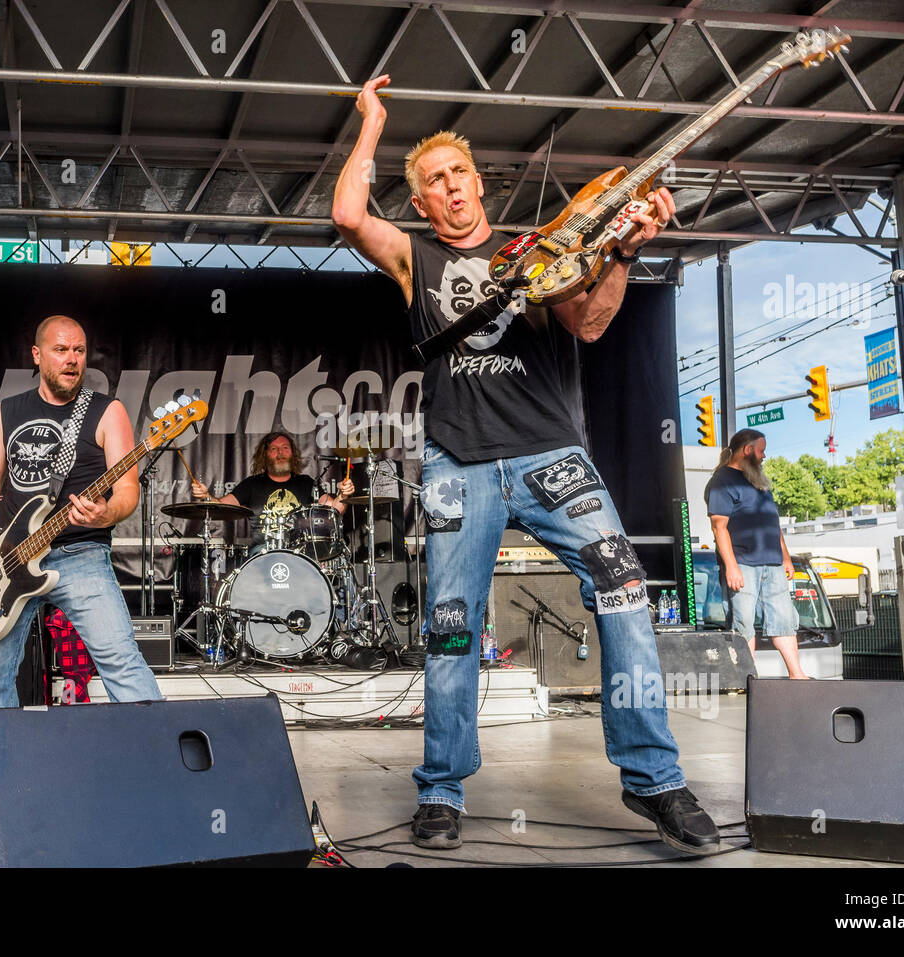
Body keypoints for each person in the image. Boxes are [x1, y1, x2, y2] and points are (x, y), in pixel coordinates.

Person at [330, 74, 720, 854]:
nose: (449, 188)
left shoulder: (541, 252)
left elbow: (595, 322)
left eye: (458, 175)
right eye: (433, 182)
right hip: (457, 460)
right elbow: (346, 214)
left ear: (480, 184)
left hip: (550, 453)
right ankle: (441, 787)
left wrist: (626, 247)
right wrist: (371, 121)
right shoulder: (416, 260)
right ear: (423, 203)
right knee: (449, 627)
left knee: (624, 587)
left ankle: (656, 780)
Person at [0, 315, 162, 708]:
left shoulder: (107, 411)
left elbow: (127, 490)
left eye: (79, 351)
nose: (72, 359)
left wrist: (105, 515)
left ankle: (163, 759)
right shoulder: (9, 410)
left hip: (81, 555)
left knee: (122, 664)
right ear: (37, 355)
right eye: (61, 350)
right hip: (12, 558)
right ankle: (6, 766)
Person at [705, 429, 806, 679]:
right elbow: (719, 527)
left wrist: (785, 557)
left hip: (772, 564)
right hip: (743, 565)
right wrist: (731, 566)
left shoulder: (758, 481)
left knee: (784, 620)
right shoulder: (722, 481)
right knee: (743, 624)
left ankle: (797, 675)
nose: (764, 456)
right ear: (747, 450)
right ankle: (748, 680)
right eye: (761, 450)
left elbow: (773, 523)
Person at [191, 431, 354, 550]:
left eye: (285, 448)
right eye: (274, 449)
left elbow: (334, 509)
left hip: (299, 550)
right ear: (265, 454)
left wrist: (343, 494)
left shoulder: (305, 483)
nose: (280, 453)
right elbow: (221, 506)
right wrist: (206, 496)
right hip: (262, 551)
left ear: (292, 453)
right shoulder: (252, 484)